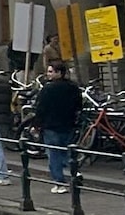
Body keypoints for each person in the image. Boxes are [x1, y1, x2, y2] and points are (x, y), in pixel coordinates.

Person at [31, 62, 85, 193]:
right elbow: (78, 105)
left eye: (51, 71)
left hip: (51, 125)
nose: (48, 74)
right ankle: (74, 172)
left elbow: (41, 108)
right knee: (66, 151)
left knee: (54, 154)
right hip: (68, 124)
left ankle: (59, 183)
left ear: (59, 73)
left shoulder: (47, 89)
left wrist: (36, 125)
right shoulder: (73, 87)